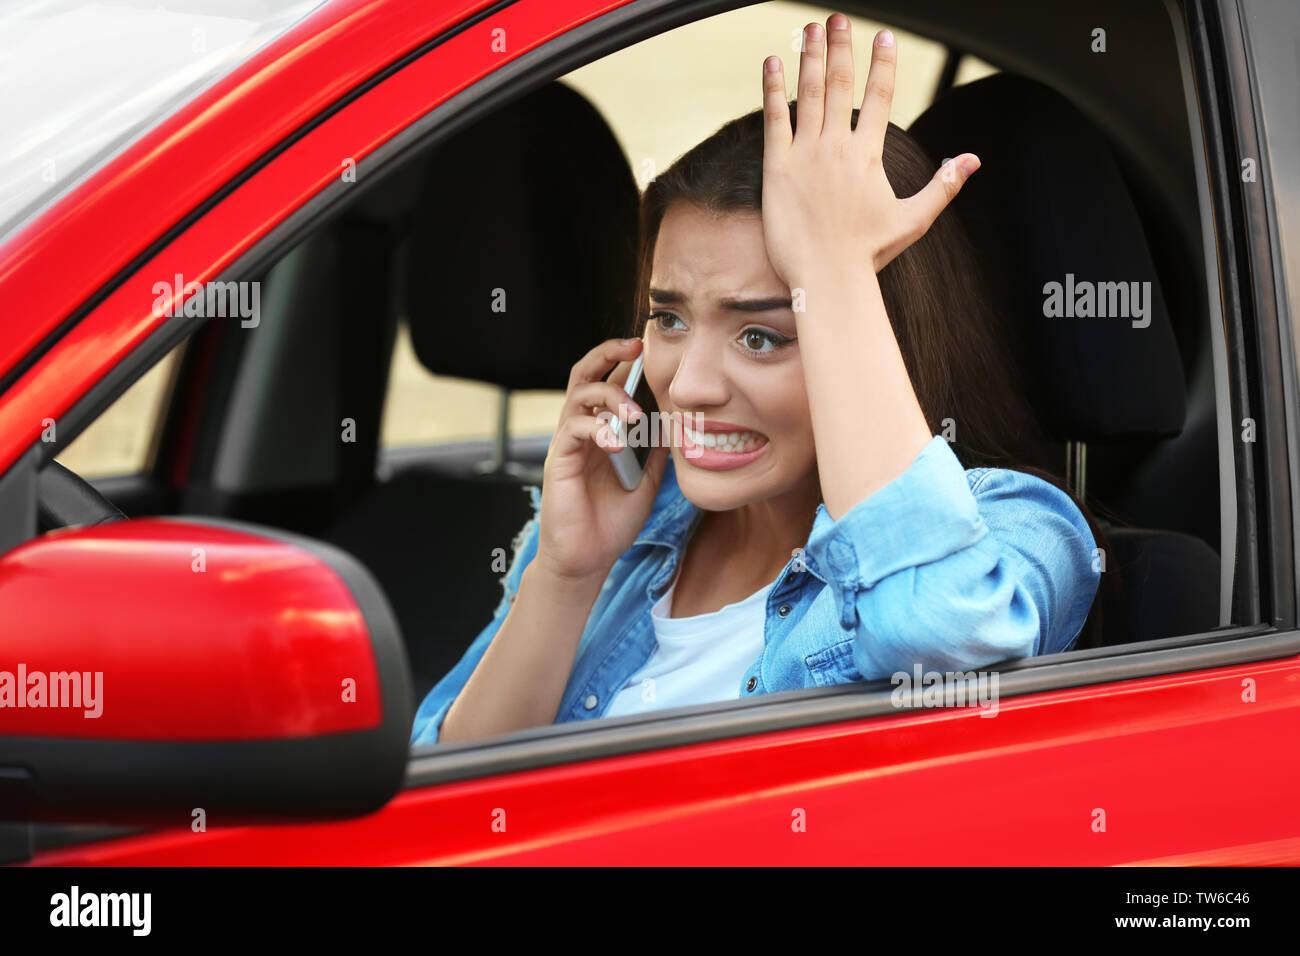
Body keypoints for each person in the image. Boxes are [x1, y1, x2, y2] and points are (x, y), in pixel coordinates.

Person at [410, 14, 1103, 746]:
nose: (689, 386)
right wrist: (565, 576)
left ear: (865, 332)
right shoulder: (627, 520)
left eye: (760, 335)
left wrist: (832, 270)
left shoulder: (1018, 528)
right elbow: (451, 796)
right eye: (669, 320)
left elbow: (934, 643)